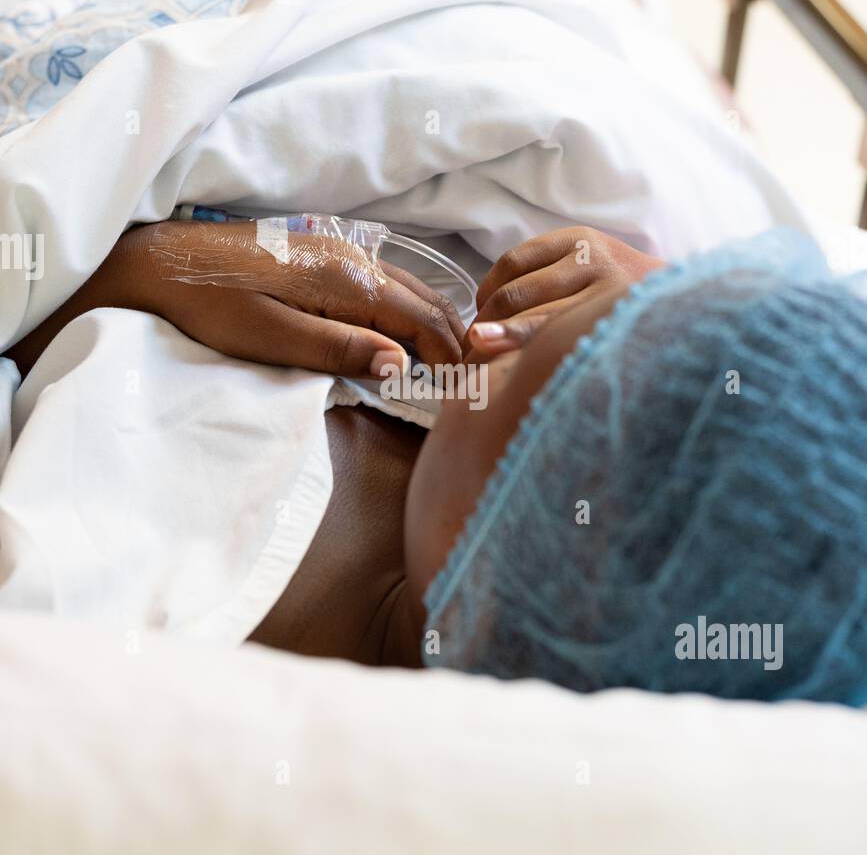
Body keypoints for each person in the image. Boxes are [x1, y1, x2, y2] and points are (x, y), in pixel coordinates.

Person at [8, 218, 867, 705]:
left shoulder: (98, 587)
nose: (626, 291)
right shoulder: (476, 464)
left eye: (534, 354)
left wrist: (137, 268)